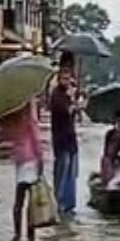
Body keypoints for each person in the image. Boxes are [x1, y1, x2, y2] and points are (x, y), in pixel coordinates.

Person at [0, 100, 45, 241]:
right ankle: (31, 234)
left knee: (19, 198)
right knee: (32, 199)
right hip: (30, 158)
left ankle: (17, 234)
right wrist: (41, 158)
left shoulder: (13, 115)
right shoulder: (29, 116)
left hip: (19, 158)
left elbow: (5, 135)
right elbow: (36, 137)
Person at [50, 55, 80, 216]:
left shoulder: (69, 93)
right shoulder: (57, 95)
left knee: (72, 174)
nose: (66, 81)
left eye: (68, 78)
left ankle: (69, 205)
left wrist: (76, 103)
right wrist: (72, 100)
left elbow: (74, 115)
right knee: (62, 172)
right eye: (64, 78)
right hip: (61, 141)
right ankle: (58, 204)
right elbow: (65, 112)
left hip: (71, 140)